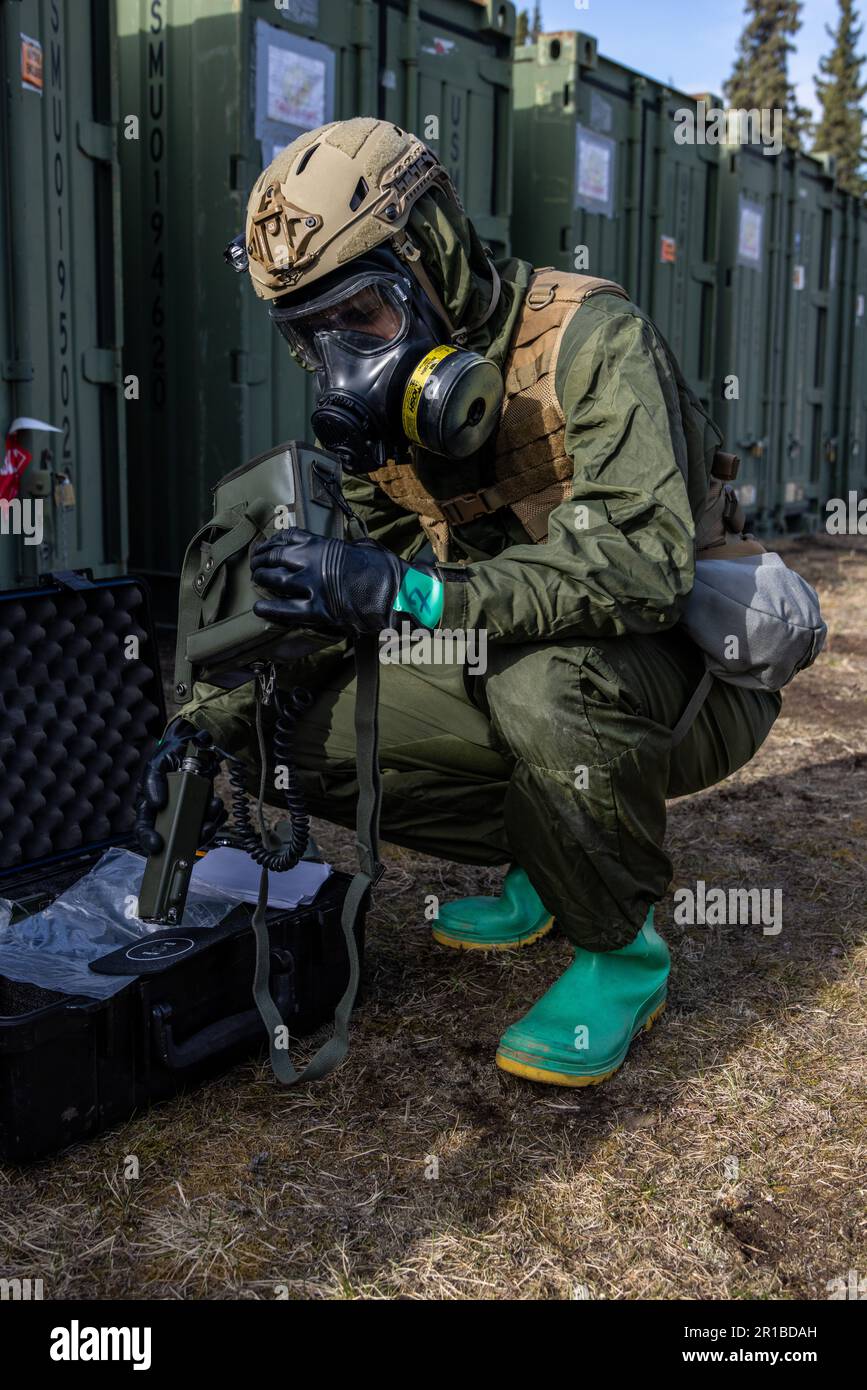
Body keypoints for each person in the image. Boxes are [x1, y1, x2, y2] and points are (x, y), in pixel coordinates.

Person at [136, 118, 780, 1087]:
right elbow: (349, 606)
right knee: (293, 730)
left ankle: (622, 953)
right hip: (511, 650)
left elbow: (643, 569)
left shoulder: (591, 338)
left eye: (361, 317)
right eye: (312, 338)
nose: (343, 361)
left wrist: (414, 592)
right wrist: (209, 722)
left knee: (541, 686)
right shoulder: (385, 422)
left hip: (687, 670)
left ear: (428, 249)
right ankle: (548, 869)